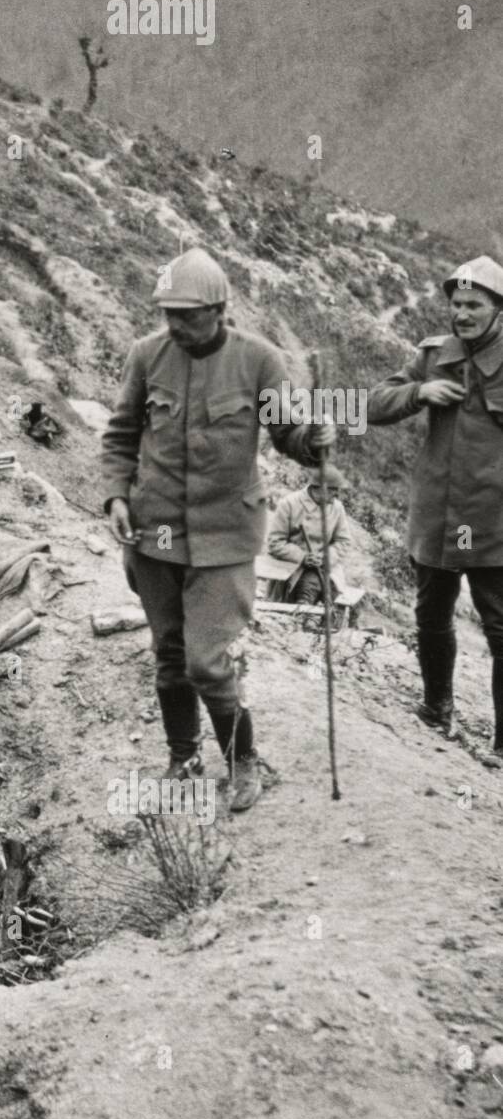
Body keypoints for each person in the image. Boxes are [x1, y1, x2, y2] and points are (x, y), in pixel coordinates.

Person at [100, 248, 335, 810]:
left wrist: (312, 441)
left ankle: (242, 760)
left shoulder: (259, 361)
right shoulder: (146, 356)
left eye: (186, 315)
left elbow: (287, 435)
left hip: (226, 535)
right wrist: (114, 495)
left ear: (218, 309)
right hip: (155, 532)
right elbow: (120, 435)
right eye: (167, 314)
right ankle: (183, 756)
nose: (174, 325)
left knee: (207, 659)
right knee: (169, 653)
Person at [366, 255, 503, 760]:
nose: (462, 314)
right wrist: (419, 391)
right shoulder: (432, 355)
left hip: (494, 521)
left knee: (501, 630)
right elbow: (375, 404)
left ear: (498, 309)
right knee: (431, 615)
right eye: (457, 304)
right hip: (439, 515)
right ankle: (435, 709)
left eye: (475, 305)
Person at [267, 464, 354, 606]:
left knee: (336, 596)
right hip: (293, 568)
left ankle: (318, 617)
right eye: (334, 490)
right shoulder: (289, 504)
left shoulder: (337, 508)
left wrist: (326, 557)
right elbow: (274, 542)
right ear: (319, 488)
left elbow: (343, 541)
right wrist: (303, 557)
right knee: (307, 588)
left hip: (325, 567)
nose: (337, 494)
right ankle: (307, 615)